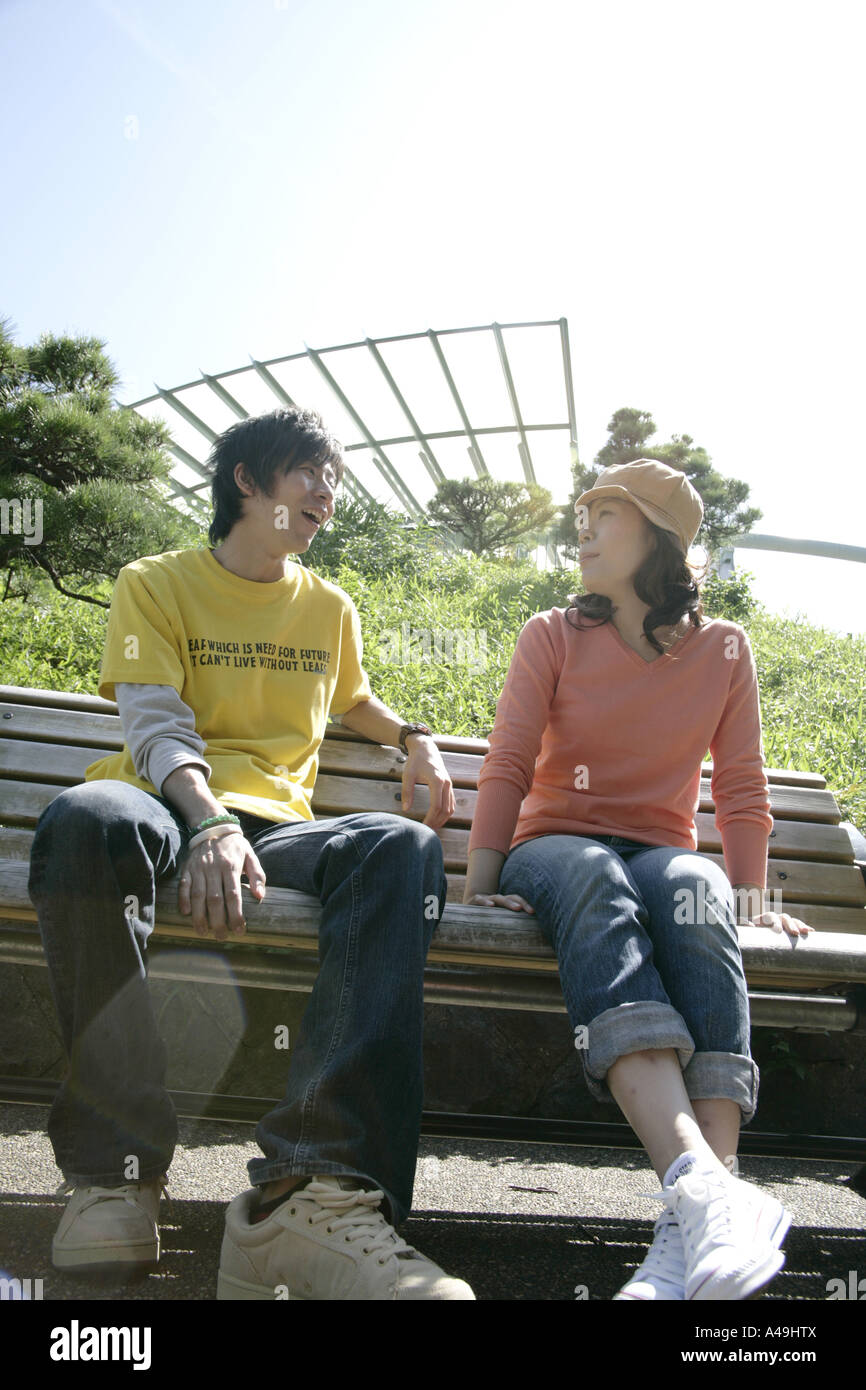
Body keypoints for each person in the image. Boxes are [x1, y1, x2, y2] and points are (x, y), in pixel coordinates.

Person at [28, 406, 474, 1301]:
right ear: (247, 480)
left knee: (398, 846)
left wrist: (414, 738)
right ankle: (114, 1172)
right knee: (86, 821)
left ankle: (313, 1195)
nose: (327, 495)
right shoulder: (153, 581)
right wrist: (207, 824)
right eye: (311, 472)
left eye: (335, 480)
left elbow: (356, 698)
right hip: (162, 804)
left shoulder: (328, 605)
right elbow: (154, 722)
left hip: (280, 829)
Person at [463, 458, 812, 1301]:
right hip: (555, 846)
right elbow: (509, 760)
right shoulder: (552, 633)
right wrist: (480, 883)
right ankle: (707, 1192)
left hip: (658, 847)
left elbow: (739, 787)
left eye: (605, 513)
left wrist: (753, 899)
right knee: (592, 873)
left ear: (658, 535)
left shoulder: (723, 649)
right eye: (581, 512)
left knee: (698, 889)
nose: (581, 527)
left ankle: (694, 1227)